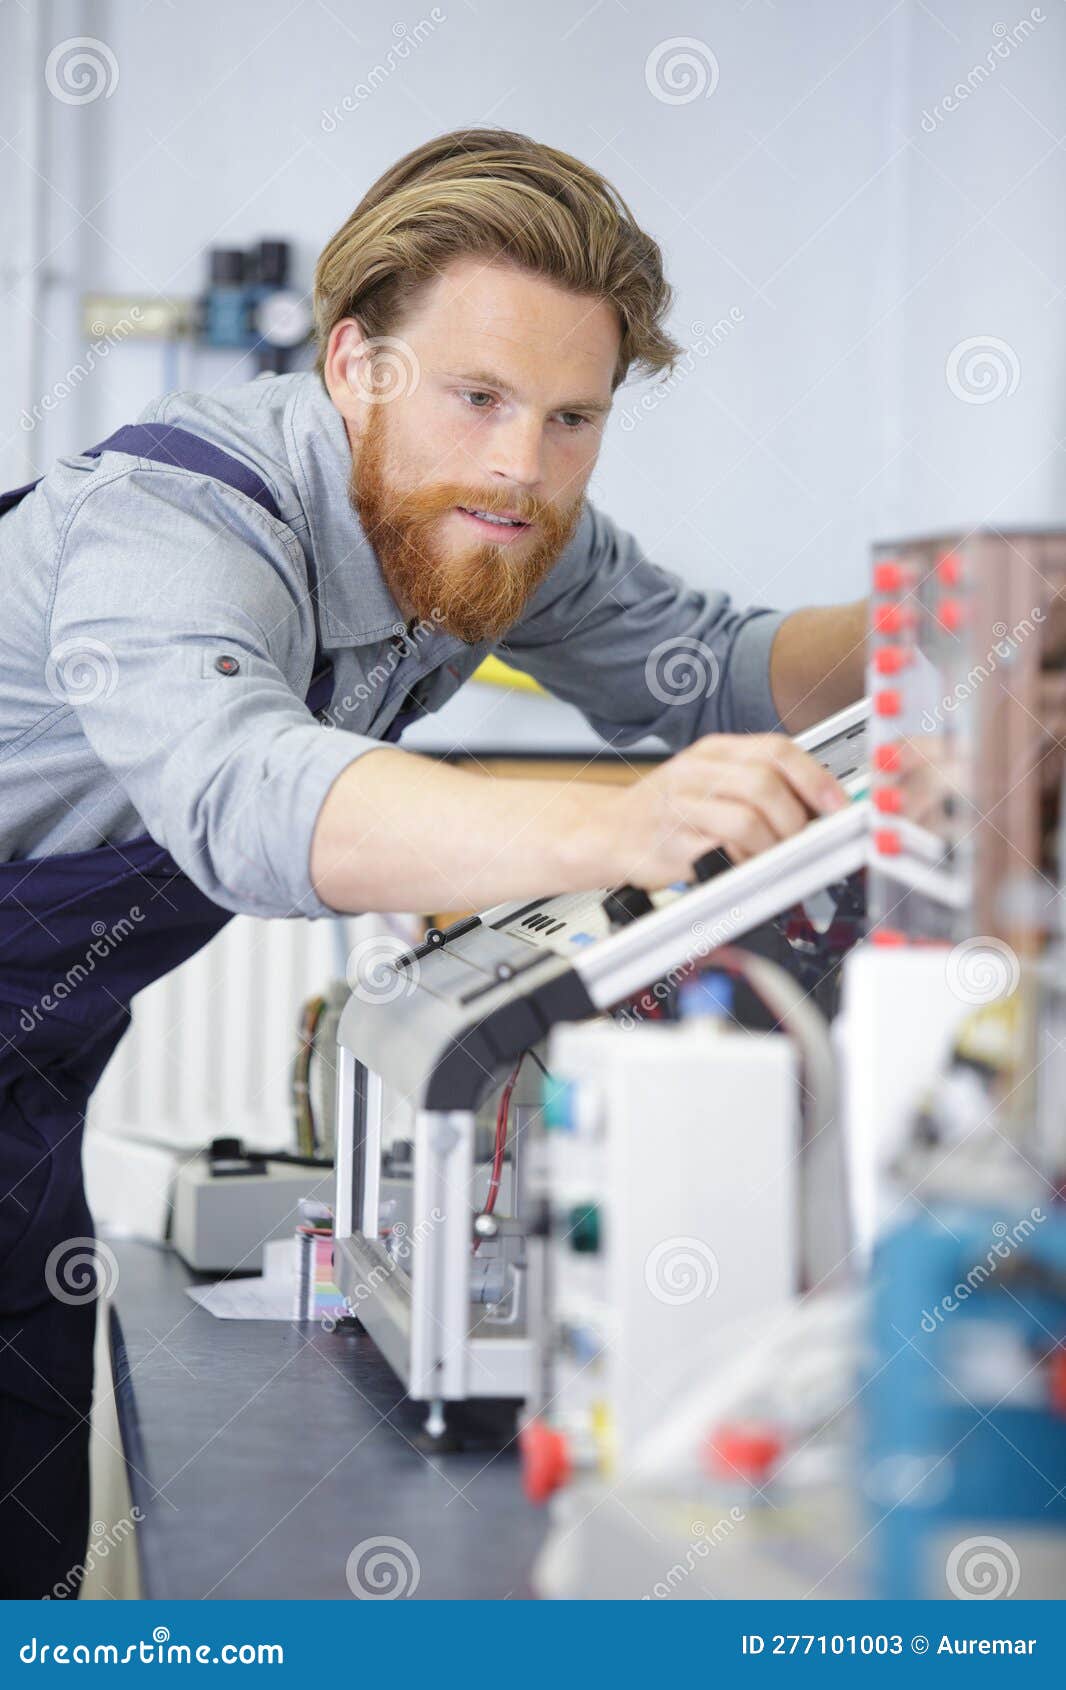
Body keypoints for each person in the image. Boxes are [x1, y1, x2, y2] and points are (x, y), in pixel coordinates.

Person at [0, 127, 864, 1595]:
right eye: (478, 398)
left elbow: (710, 663)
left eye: (574, 418)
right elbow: (246, 793)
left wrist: (980, 612)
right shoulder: (167, 520)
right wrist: (621, 820)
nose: (524, 465)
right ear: (355, 366)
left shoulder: (490, 520)